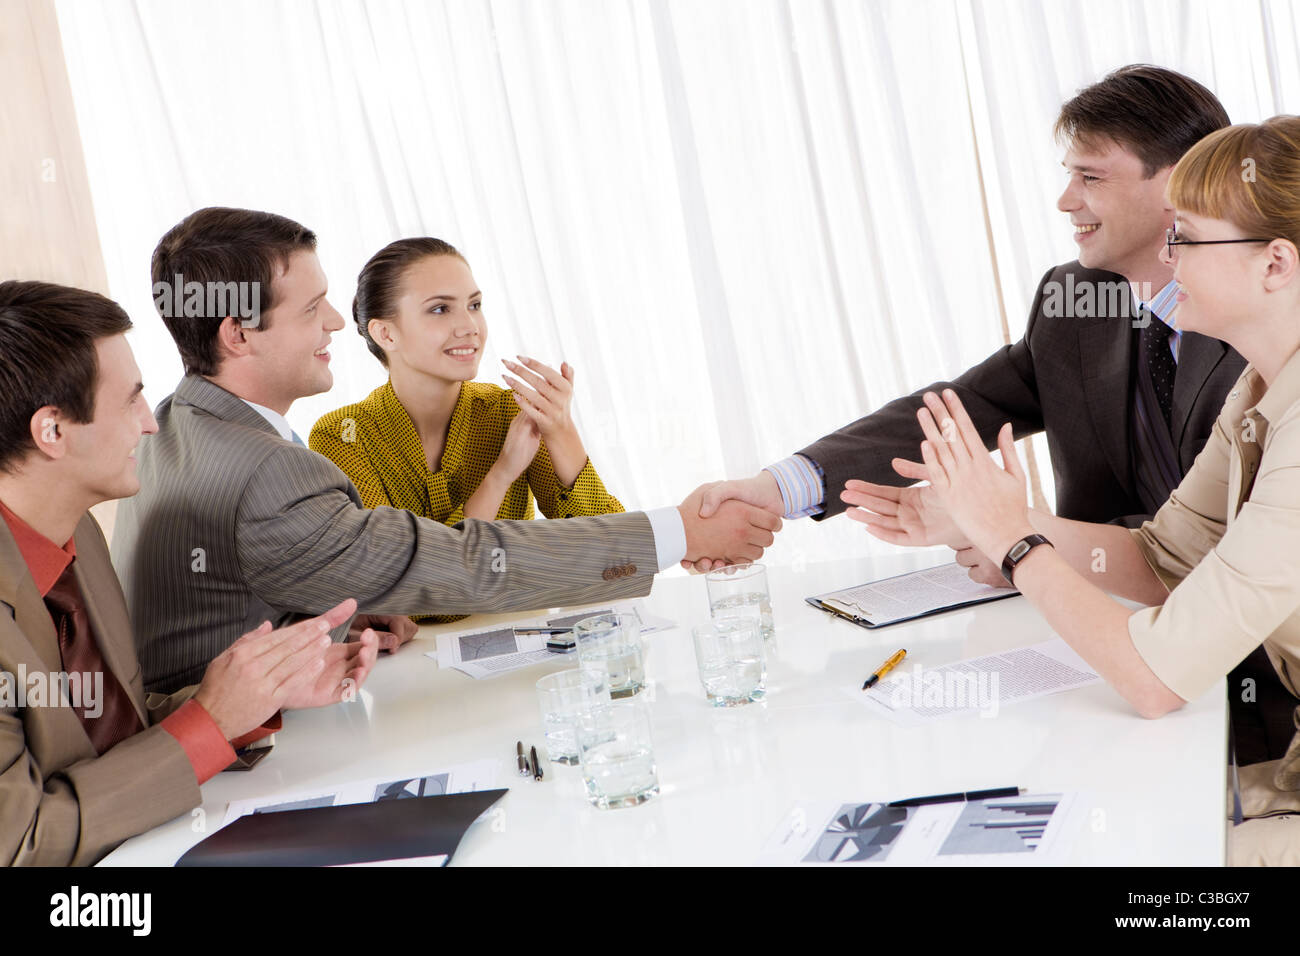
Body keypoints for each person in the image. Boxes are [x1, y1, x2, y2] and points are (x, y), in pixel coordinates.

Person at [851, 116, 1300, 865]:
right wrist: (992, 515)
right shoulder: (1261, 387)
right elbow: (1162, 558)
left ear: (1276, 264)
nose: (1167, 256)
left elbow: (1155, 680)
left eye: (1184, 237)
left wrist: (1016, 543)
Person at [112, 207, 780, 694]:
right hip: (234, 760)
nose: (335, 324)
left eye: (474, 305)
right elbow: (452, 564)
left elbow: (245, 586)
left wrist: (339, 613)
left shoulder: (175, 423)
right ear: (237, 334)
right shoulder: (284, 463)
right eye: (313, 308)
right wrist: (678, 531)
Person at [687, 65, 1242, 582]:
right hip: (1098, 624)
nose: (1065, 200)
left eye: (1090, 177)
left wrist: (1028, 551)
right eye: (1068, 175)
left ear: (1179, 185)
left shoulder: (1264, 319)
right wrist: (780, 488)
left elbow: (1225, 547)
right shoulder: (1076, 298)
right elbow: (960, 410)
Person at [0, 280, 378, 865]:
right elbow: (24, 841)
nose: (150, 425)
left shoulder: (78, 537)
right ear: (52, 431)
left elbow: (106, 735)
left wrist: (257, 697)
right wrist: (210, 718)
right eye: (130, 401)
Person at [310, 238, 623, 622]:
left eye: (475, 305)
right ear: (385, 334)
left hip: (524, 642)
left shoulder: (510, 411)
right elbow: (410, 592)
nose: (469, 327)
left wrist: (562, 431)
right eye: (440, 309)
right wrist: (501, 475)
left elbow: (612, 559)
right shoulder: (343, 437)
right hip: (410, 669)